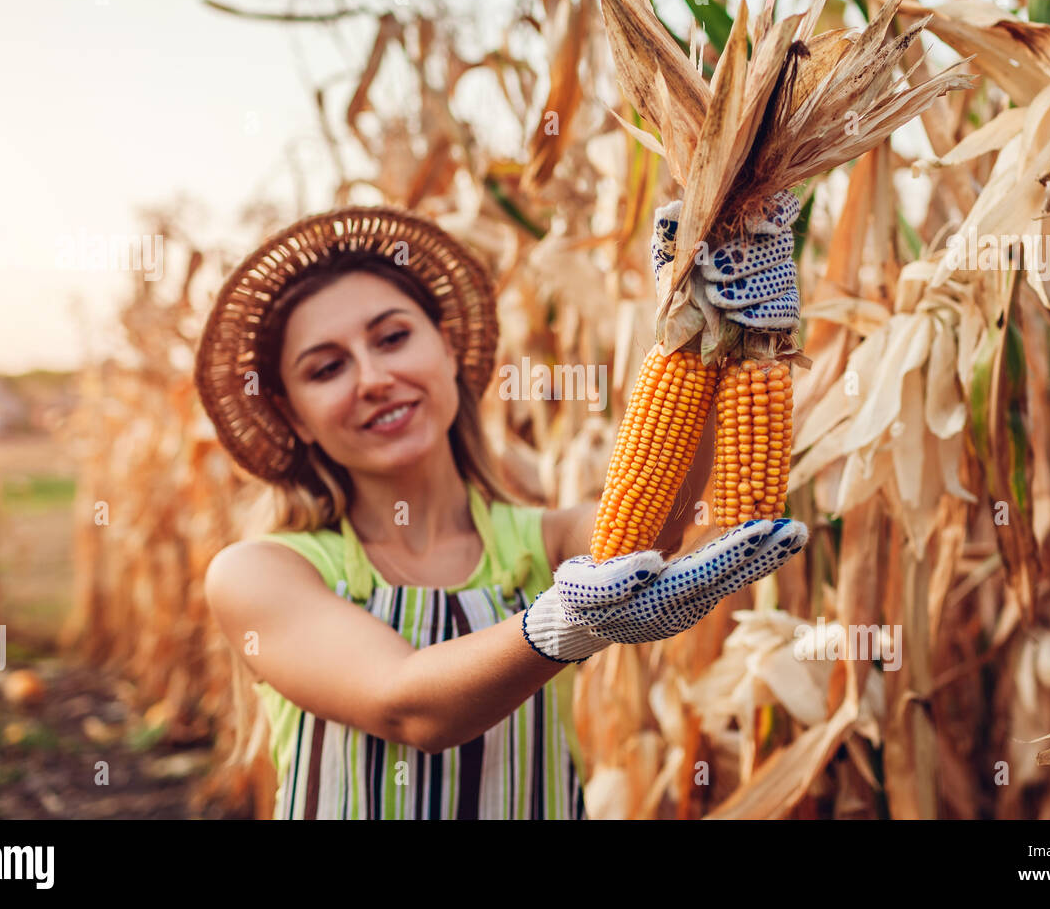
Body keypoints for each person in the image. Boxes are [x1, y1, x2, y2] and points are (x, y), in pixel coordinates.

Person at [194, 203, 808, 820]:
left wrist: (705, 342)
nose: (373, 377)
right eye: (327, 368)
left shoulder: (545, 541)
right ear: (294, 413)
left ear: (449, 349)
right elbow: (405, 706)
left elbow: (661, 528)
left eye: (393, 337)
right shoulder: (260, 572)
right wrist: (567, 625)